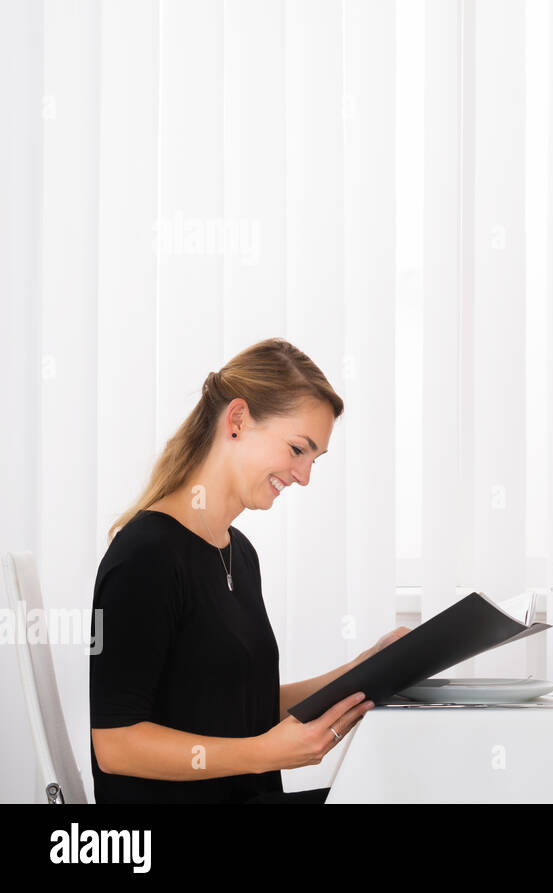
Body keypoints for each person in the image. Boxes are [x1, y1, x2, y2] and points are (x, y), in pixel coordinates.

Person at [89, 338, 408, 803]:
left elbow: (242, 704)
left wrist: (365, 669)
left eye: (313, 460)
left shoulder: (239, 553)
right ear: (237, 421)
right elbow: (115, 746)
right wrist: (263, 754)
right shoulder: (146, 556)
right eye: (298, 449)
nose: (304, 476)